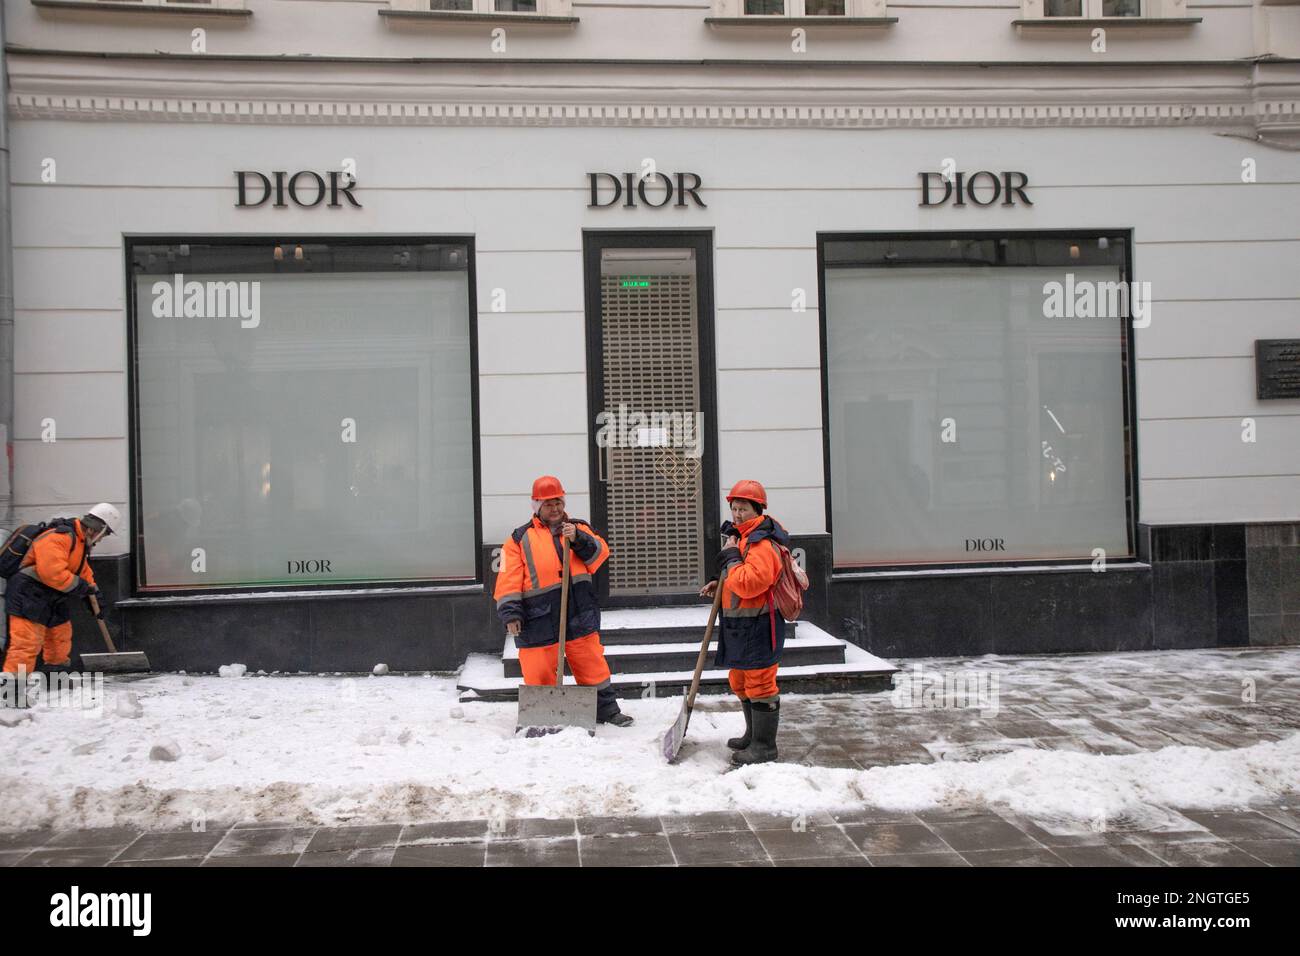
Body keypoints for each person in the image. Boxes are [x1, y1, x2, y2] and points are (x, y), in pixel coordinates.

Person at [493, 476, 632, 727]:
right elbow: (507, 579)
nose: (555, 508)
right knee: (539, 668)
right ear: (536, 507)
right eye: (548, 504)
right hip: (538, 615)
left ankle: (606, 711)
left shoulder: (578, 527)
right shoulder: (518, 539)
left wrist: (578, 538)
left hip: (578, 608)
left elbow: (600, 555)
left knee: (591, 662)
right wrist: (511, 614)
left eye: (558, 502)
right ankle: (542, 715)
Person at [699, 480, 790, 765]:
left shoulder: (761, 544)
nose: (737, 515)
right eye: (734, 508)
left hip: (760, 626)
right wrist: (720, 583)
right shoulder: (741, 539)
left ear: (758, 510)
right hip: (740, 625)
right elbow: (737, 577)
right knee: (740, 681)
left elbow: (750, 584)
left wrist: (731, 558)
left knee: (760, 683)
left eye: (744, 509)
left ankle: (765, 746)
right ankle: (752, 734)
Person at [2, 503, 120, 680]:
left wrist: (95, 598)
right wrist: (81, 587)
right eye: (105, 535)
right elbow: (52, 573)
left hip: (51, 596)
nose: (101, 540)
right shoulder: (59, 537)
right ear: (97, 530)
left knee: (60, 638)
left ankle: (55, 679)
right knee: (26, 644)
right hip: (27, 594)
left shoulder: (79, 543)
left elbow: (83, 571)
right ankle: (11, 693)